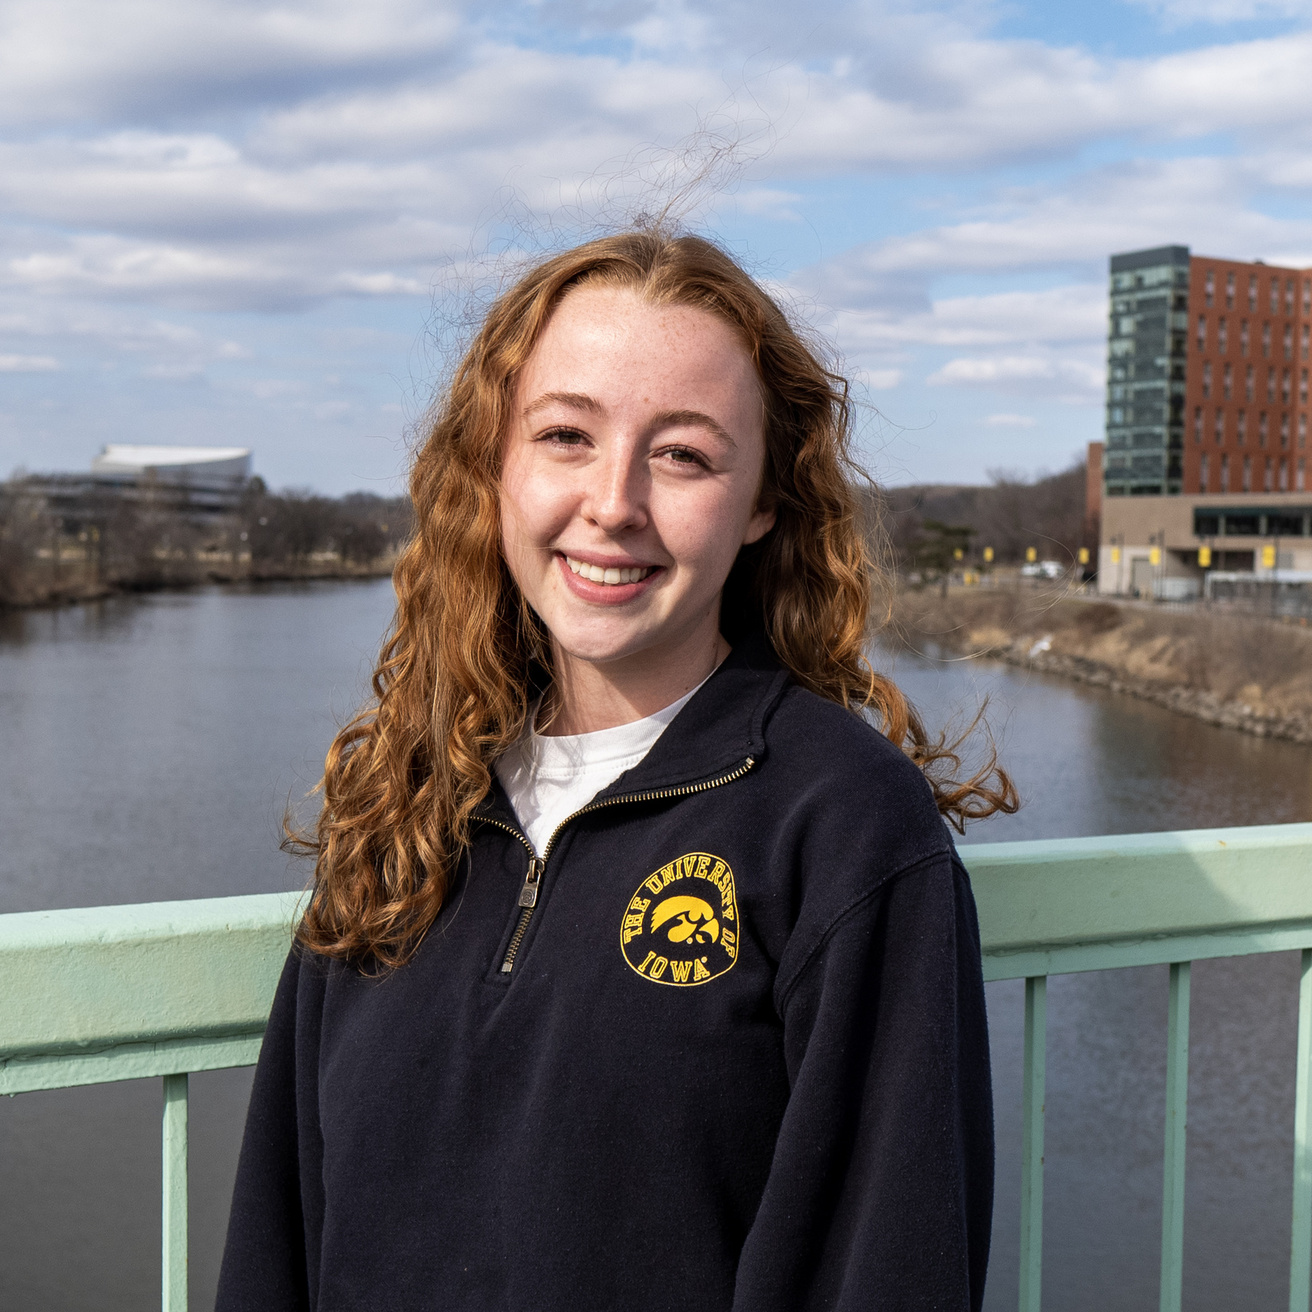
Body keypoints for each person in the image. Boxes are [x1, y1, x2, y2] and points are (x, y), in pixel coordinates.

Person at [216, 230, 1015, 1312]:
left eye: (683, 454)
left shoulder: (843, 829)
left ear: (763, 505)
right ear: (495, 466)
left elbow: (887, 1266)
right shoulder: (410, 794)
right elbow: (280, 1230)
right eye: (565, 436)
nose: (613, 501)